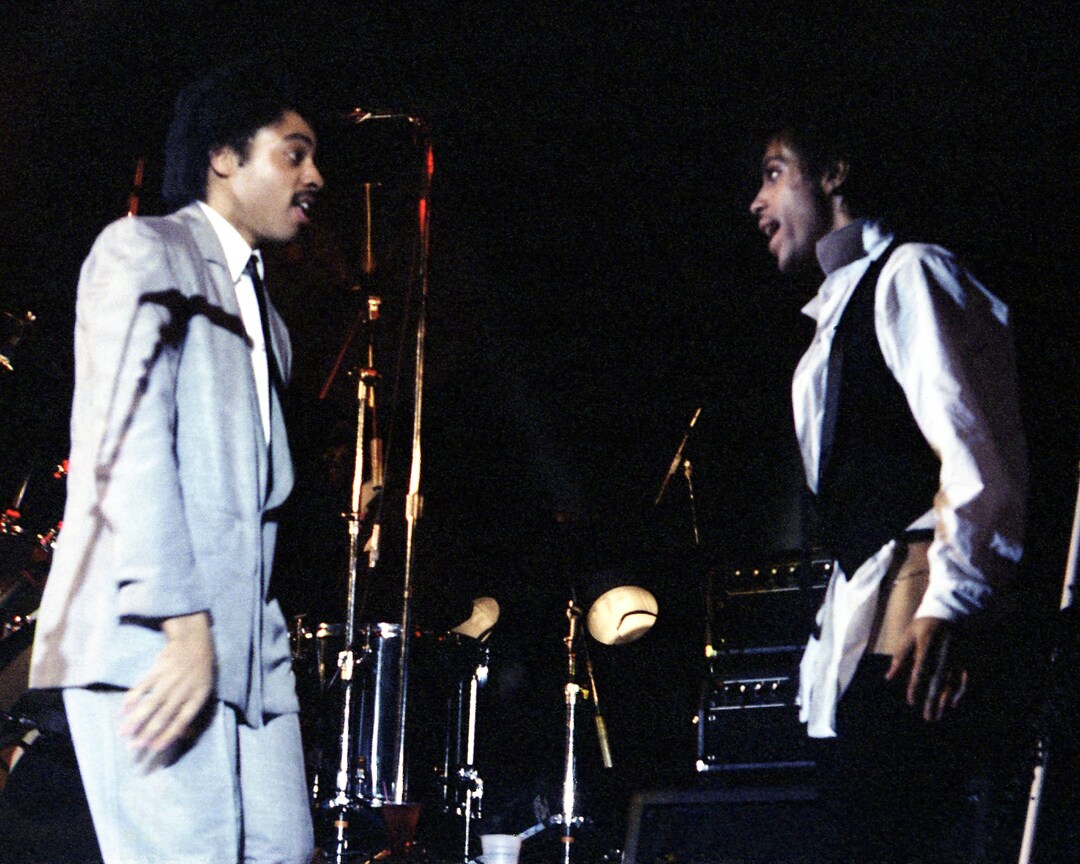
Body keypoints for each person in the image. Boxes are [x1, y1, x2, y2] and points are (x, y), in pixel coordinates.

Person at [28, 64, 324, 863]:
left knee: (283, 847)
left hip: (245, 650)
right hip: (151, 631)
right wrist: (183, 625)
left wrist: (263, 659)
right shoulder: (142, 250)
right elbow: (124, 443)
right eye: (293, 154)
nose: (314, 176)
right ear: (226, 158)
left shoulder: (270, 320)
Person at [749, 114, 1027, 862]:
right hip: (862, 608)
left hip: (913, 612)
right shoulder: (834, 314)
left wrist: (952, 600)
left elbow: (977, 451)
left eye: (775, 172)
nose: (756, 200)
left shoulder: (911, 273)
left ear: (833, 171)